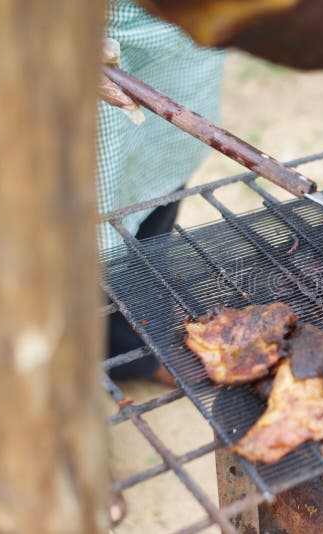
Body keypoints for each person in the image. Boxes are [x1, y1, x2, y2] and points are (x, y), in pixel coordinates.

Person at [98, 0, 225, 384]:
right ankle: (122, 352)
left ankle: (141, 319)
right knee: (94, 225)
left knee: (160, 188)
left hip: (183, 47)